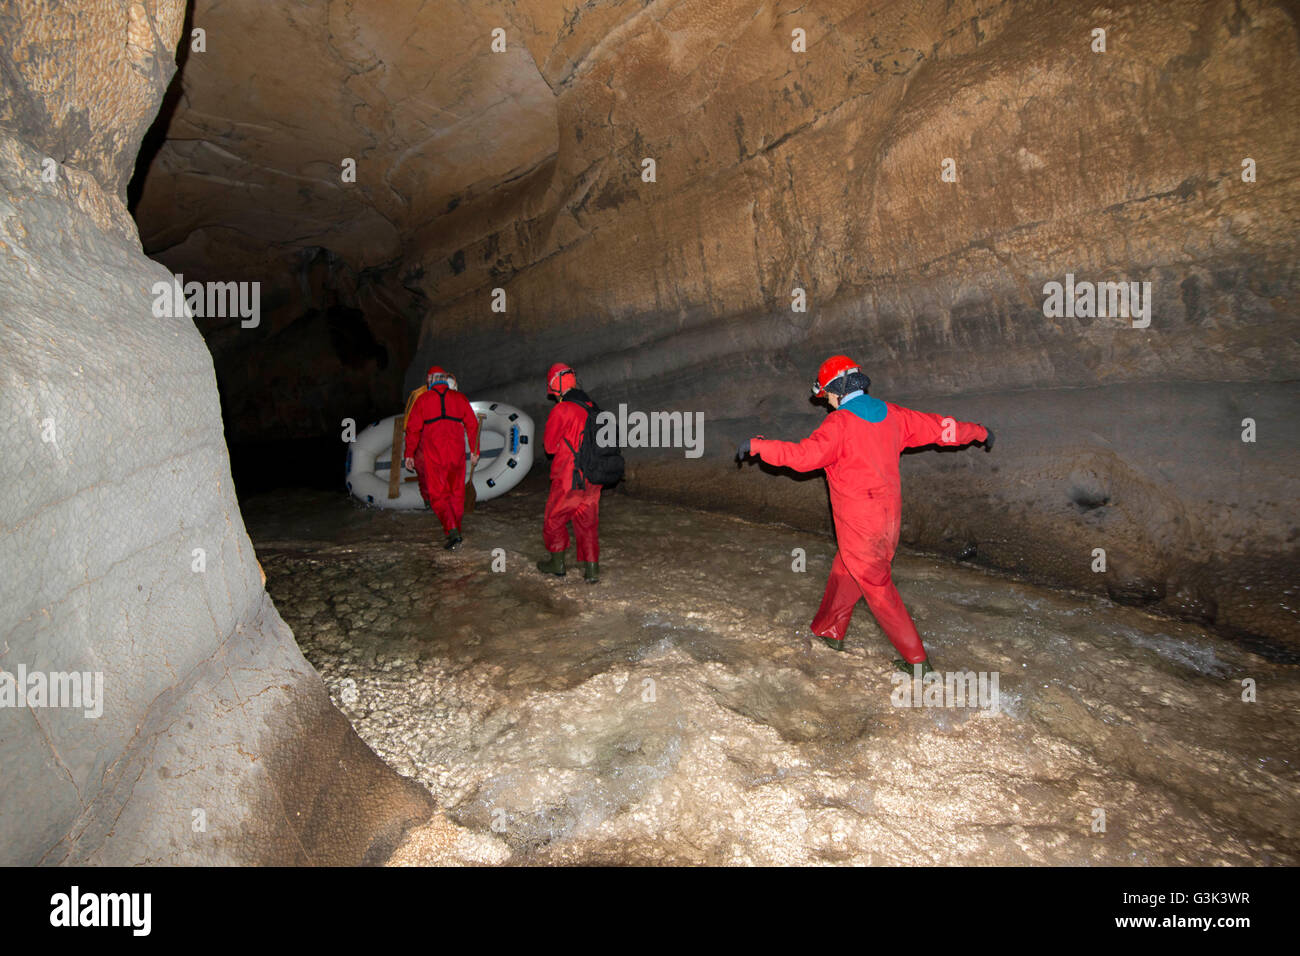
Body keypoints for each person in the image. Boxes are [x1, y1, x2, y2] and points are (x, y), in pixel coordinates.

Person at [736, 355, 994, 675]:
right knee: (846, 569)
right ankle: (828, 631)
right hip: (889, 519)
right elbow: (941, 429)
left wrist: (761, 446)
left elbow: (805, 457)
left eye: (827, 395)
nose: (827, 403)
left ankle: (917, 662)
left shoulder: (839, 424)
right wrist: (979, 432)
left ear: (838, 389)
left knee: (876, 586)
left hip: (860, 522)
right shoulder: (893, 415)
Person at [536, 363, 602, 583]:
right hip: (593, 476)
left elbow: (550, 447)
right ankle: (592, 571)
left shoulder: (562, 409)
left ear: (554, 384)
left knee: (554, 520)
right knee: (588, 523)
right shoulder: (593, 407)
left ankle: (557, 564)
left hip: (569, 476)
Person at [402, 365, 480, 550]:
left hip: (435, 456)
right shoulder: (460, 398)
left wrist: (409, 454)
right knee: (456, 493)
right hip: (456, 454)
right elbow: (472, 425)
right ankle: (456, 529)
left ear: (430, 380)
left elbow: (412, 430)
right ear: (446, 379)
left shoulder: (423, 400)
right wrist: (475, 451)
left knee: (438, 495)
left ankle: (452, 530)